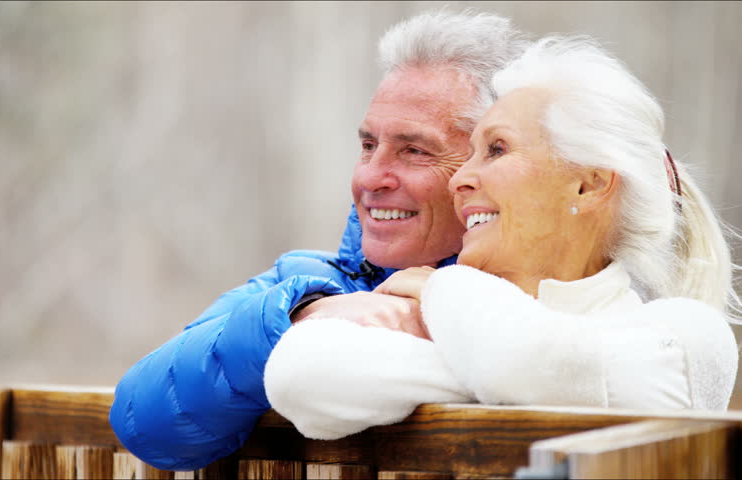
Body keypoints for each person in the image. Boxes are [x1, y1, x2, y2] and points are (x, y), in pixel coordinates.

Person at [264, 36, 741, 441]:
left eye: (496, 149)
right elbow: (299, 372)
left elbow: (536, 363)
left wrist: (441, 295)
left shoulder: (690, 336)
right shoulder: (468, 332)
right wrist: (483, 355)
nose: (459, 180)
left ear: (589, 184)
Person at [108, 11, 527, 470]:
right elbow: (143, 419)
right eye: (368, 146)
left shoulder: (559, 294)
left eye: (414, 150)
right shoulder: (307, 283)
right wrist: (301, 314)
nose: (369, 176)